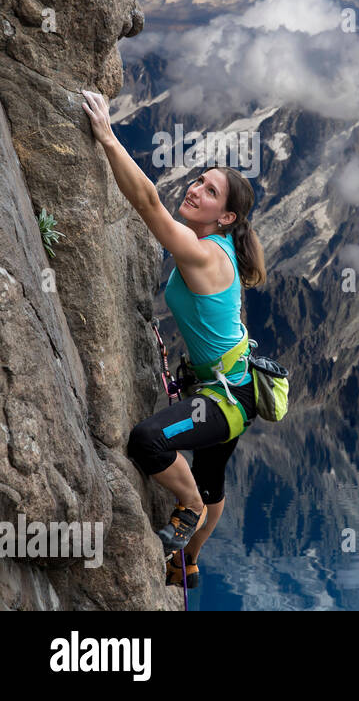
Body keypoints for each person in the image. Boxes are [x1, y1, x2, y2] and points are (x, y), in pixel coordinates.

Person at [81, 89, 267, 587]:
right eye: (199, 180)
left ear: (225, 217)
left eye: (208, 192)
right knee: (213, 480)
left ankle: (186, 509)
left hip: (224, 401)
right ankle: (190, 559)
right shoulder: (219, 246)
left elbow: (146, 203)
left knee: (148, 442)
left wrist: (106, 136)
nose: (194, 189)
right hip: (234, 388)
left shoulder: (205, 252)